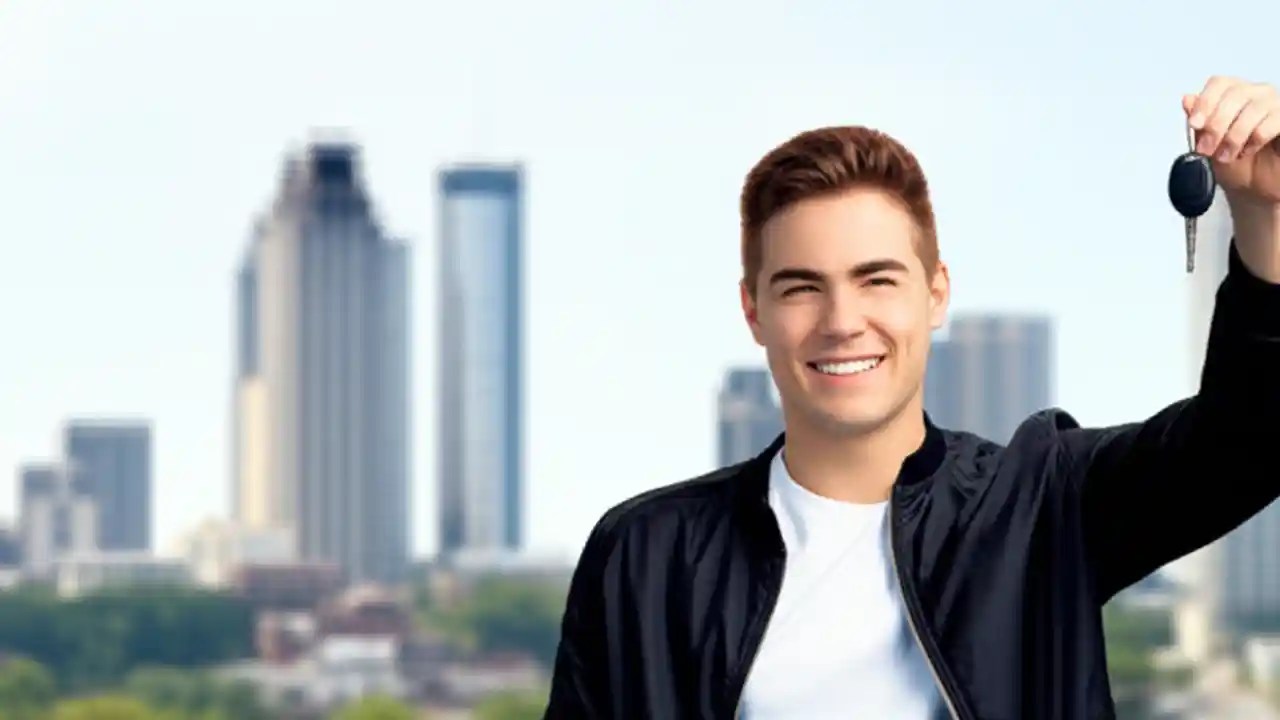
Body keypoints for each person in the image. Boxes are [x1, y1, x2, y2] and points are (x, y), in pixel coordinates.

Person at [543, 75, 1280, 719]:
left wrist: (1266, 215)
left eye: (876, 280)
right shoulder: (647, 553)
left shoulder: (1041, 507)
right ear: (753, 312)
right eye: (802, 287)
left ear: (935, 295)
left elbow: (1248, 439)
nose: (841, 323)